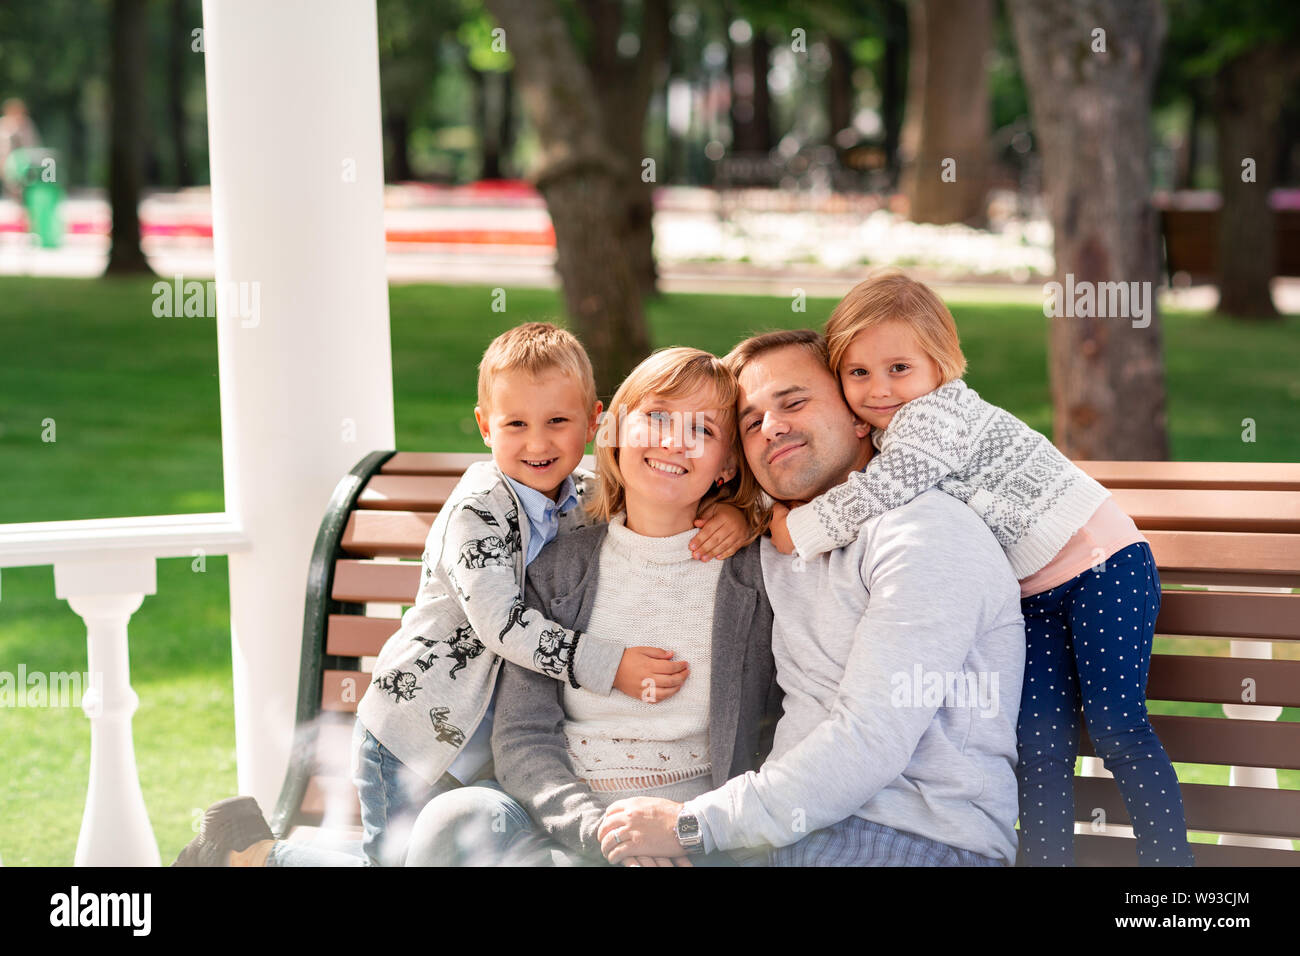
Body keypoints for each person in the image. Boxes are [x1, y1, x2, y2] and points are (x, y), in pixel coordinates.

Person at [174, 324, 751, 867]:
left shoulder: (584, 495)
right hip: (416, 734)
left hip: (484, 744)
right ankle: (251, 857)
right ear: (484, 426)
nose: (538, 443)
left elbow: (661, 496)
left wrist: (733, 512)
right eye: (515, 425)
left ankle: (243, 847)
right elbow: (502, 625)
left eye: (557, 421)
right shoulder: (478, 509)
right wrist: (607, 664)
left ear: (595, 422)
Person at [764, 271, 1193, 866]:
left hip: (1102, 568)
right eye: (858, 373)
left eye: (899, 368)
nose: (880, 388)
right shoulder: (896, 425)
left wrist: (798, 529)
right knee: (1039, 743)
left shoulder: (935, 417)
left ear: (941, 364)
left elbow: (887, 487)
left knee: (1117, 727)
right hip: (1035, 593)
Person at [598, 328, 1026, 866]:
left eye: (794, 402)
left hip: (911, 839)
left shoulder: (925, 533)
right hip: (780, 839)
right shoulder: (779, 542)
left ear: (858, 416)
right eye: (752, 423)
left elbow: (871, 740)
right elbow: (636, 462)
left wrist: (692, 825)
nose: (773, 426)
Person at [402, 346, 779, 866]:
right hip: (566, 826)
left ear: (727, 465)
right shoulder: (561, 564)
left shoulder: (752, 573)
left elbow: (773, 728)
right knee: (457, 818)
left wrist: (688, 829)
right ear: (615, 431)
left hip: (689, 833)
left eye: (703, 431)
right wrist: (601, 832)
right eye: (658, 417)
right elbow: (524, 734)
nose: (673, 440)